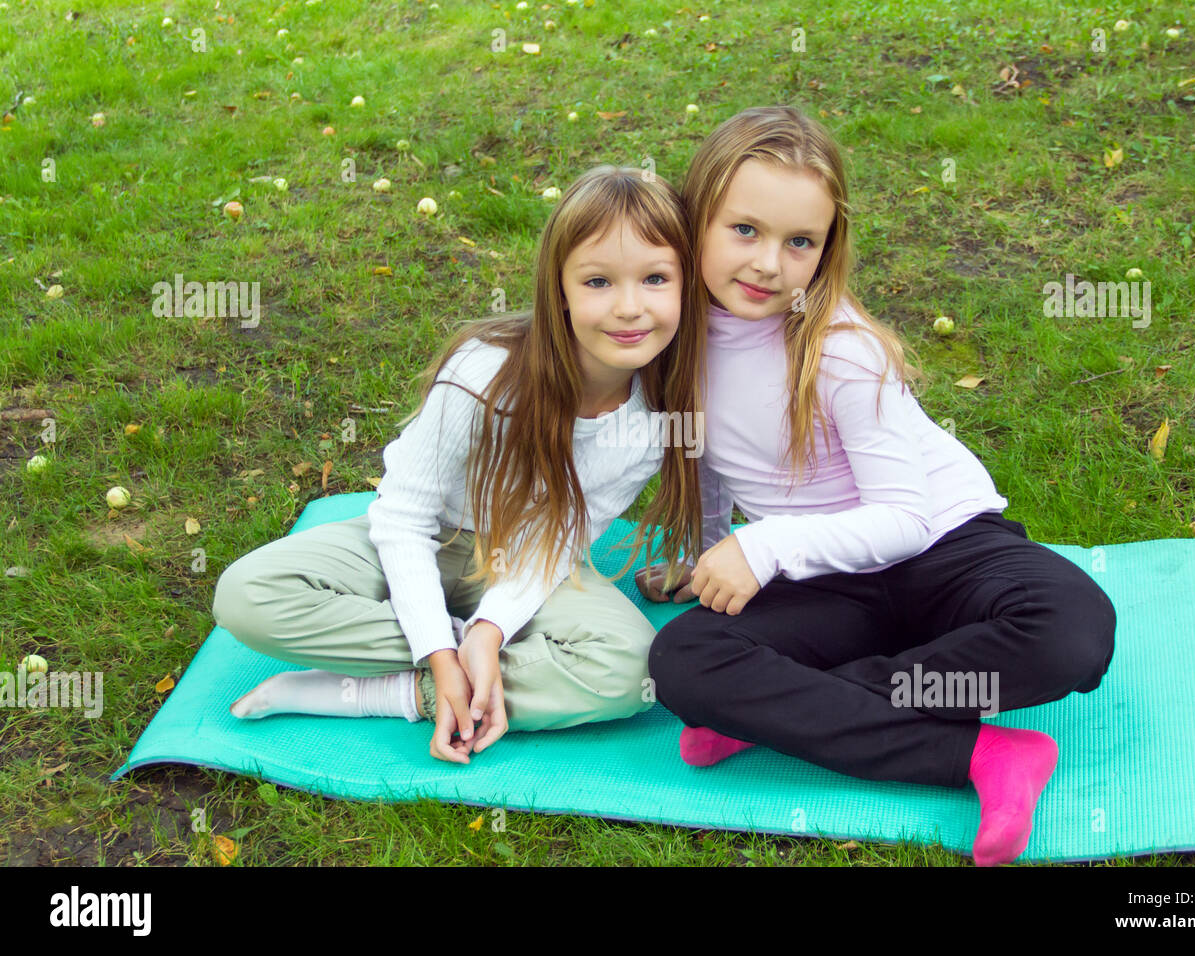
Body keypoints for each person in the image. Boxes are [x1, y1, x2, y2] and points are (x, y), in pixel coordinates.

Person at [637, 107, 1116, 865]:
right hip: (832, 585)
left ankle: (783, 708)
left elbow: (901, 520)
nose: (769, 264)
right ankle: (984, 756)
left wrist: (760, 548)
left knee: (1071, 633)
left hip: (943, 549)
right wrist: (703, 556)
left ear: (827, 250)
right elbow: (707, 462)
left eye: (800, 242)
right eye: (745, 231)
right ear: (695, 218)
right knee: (683, 664)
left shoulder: (843, 349)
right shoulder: (671, 339)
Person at [212, 164, 703, 764]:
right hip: (425, 539)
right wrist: (443, 650)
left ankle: (388, 693)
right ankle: (451, 665)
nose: (630, 307)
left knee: (630, 667)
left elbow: (559, 538)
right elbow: (403, 518)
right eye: (598, 281)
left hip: (524, 562)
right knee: (246, 594)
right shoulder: (482, 373)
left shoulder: (654, 420)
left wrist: (492, 630)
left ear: (686, 286)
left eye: (655, 278)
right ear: (561, 291)